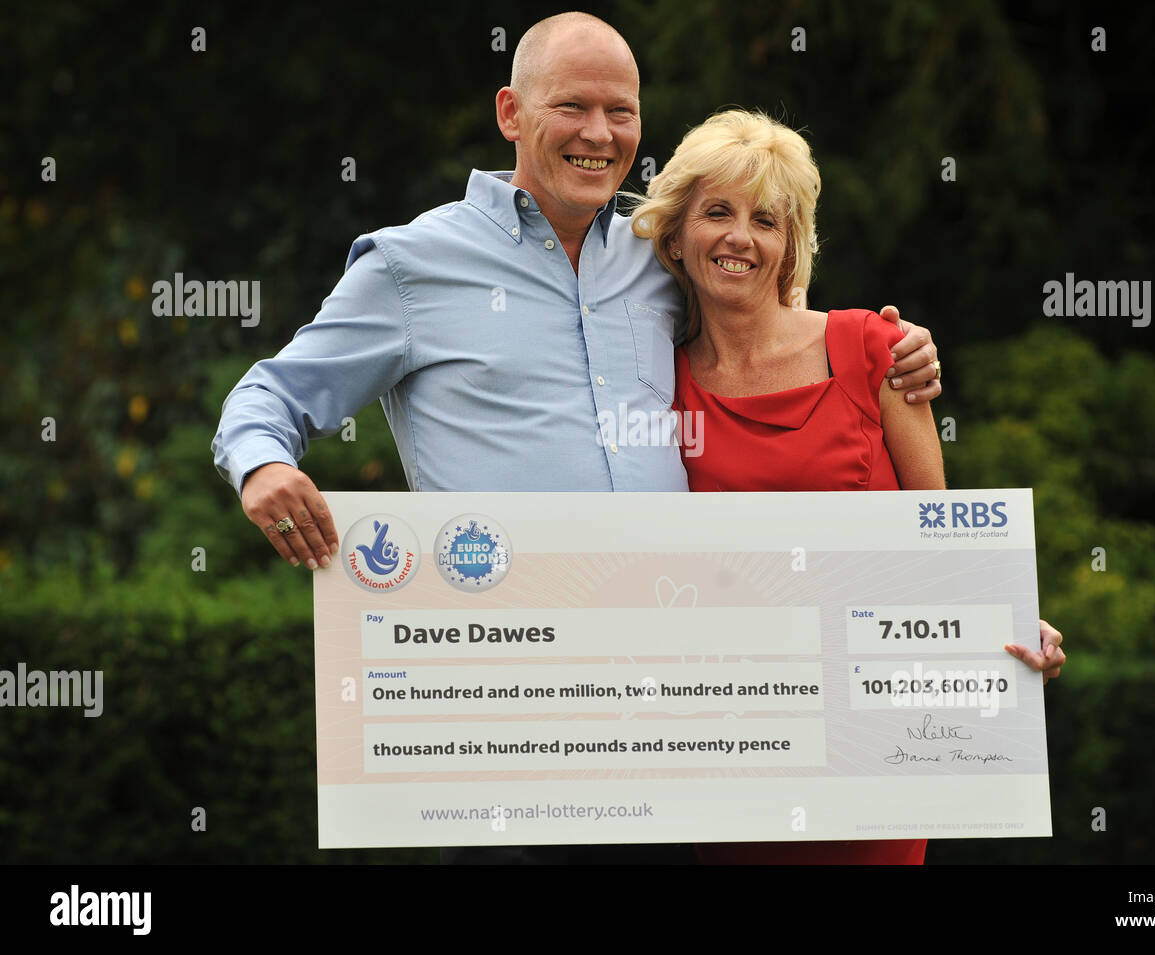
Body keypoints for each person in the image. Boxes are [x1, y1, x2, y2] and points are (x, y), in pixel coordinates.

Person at [211, 13, 945, 864]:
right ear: (510, 112)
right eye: (573, 106)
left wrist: (901, 348)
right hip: (505, 726)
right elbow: (269, 392)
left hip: (673, 741)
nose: (600, 134)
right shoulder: (410, 267)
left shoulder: (657, 257)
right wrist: (262, 463)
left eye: (622, 112)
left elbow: (765, 313)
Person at [630, 109, 1066, 865]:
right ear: (675, 235)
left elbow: (944, 533)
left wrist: (1011, 623)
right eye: (717, 213)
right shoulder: (653, 388)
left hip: (880, 744)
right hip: (737, 753)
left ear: (789, 247)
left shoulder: (874, 348)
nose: (740, 236)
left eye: (766, 219)